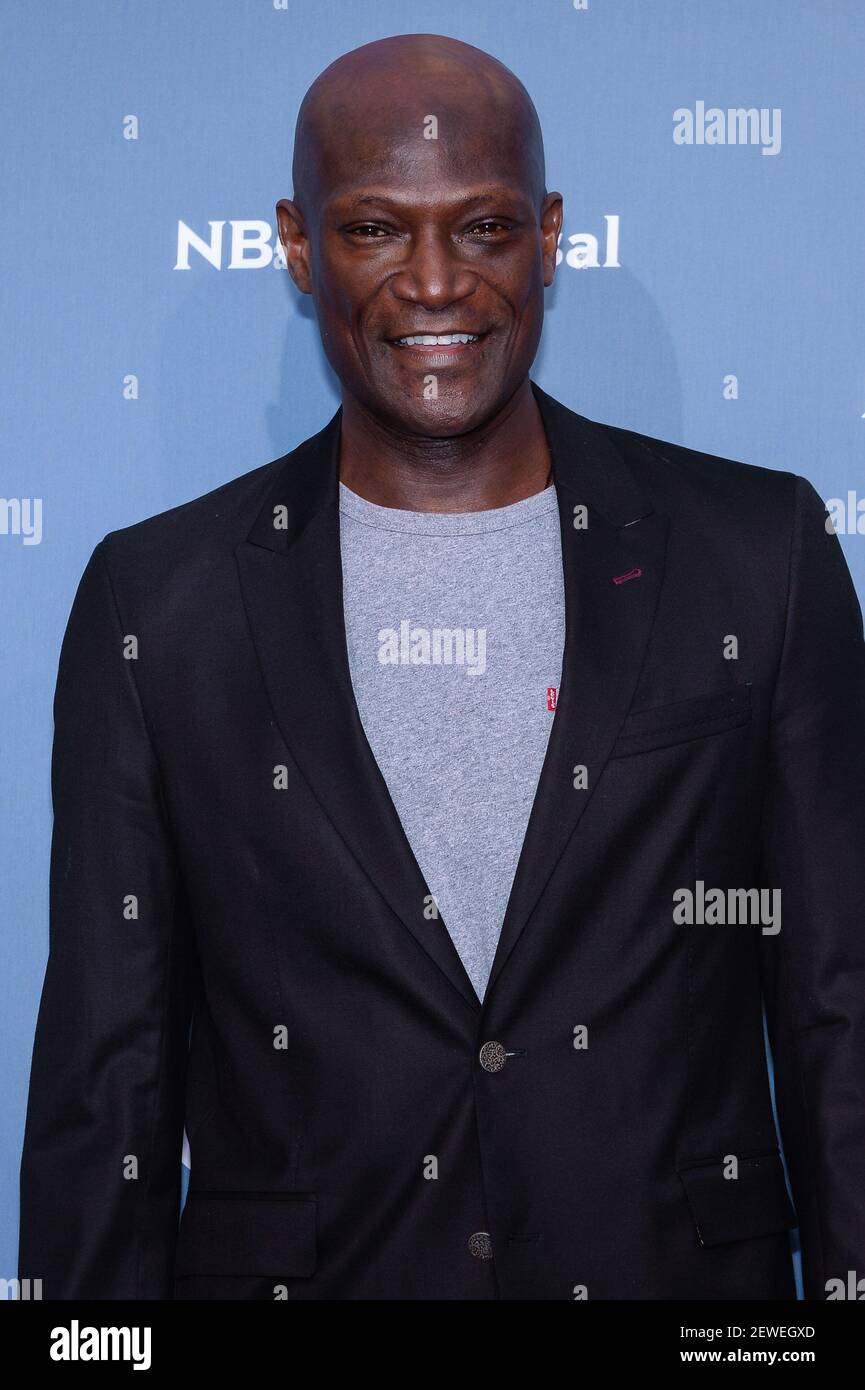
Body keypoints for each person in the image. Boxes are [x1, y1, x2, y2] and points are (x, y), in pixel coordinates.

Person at [19, 32, 865, 1300]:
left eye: (480, 229)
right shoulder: (160, 603)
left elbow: (837, 1005)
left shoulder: (760, 554)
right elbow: (109, 1072)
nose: (433, 284)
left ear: (549, 235)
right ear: (299, 249)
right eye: (372, 229)